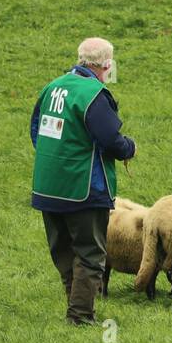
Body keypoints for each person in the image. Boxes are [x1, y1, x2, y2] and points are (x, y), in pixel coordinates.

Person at [30, 37, 136, 325]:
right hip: (84, 188)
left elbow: (37, 131)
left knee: (63, 251)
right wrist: (130, 148)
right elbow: (111, 140)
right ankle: (80, 317)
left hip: (47, 187)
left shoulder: (53, 87)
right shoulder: (94, 94)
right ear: (107, 65)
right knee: (90, 254)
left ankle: (75, 306)